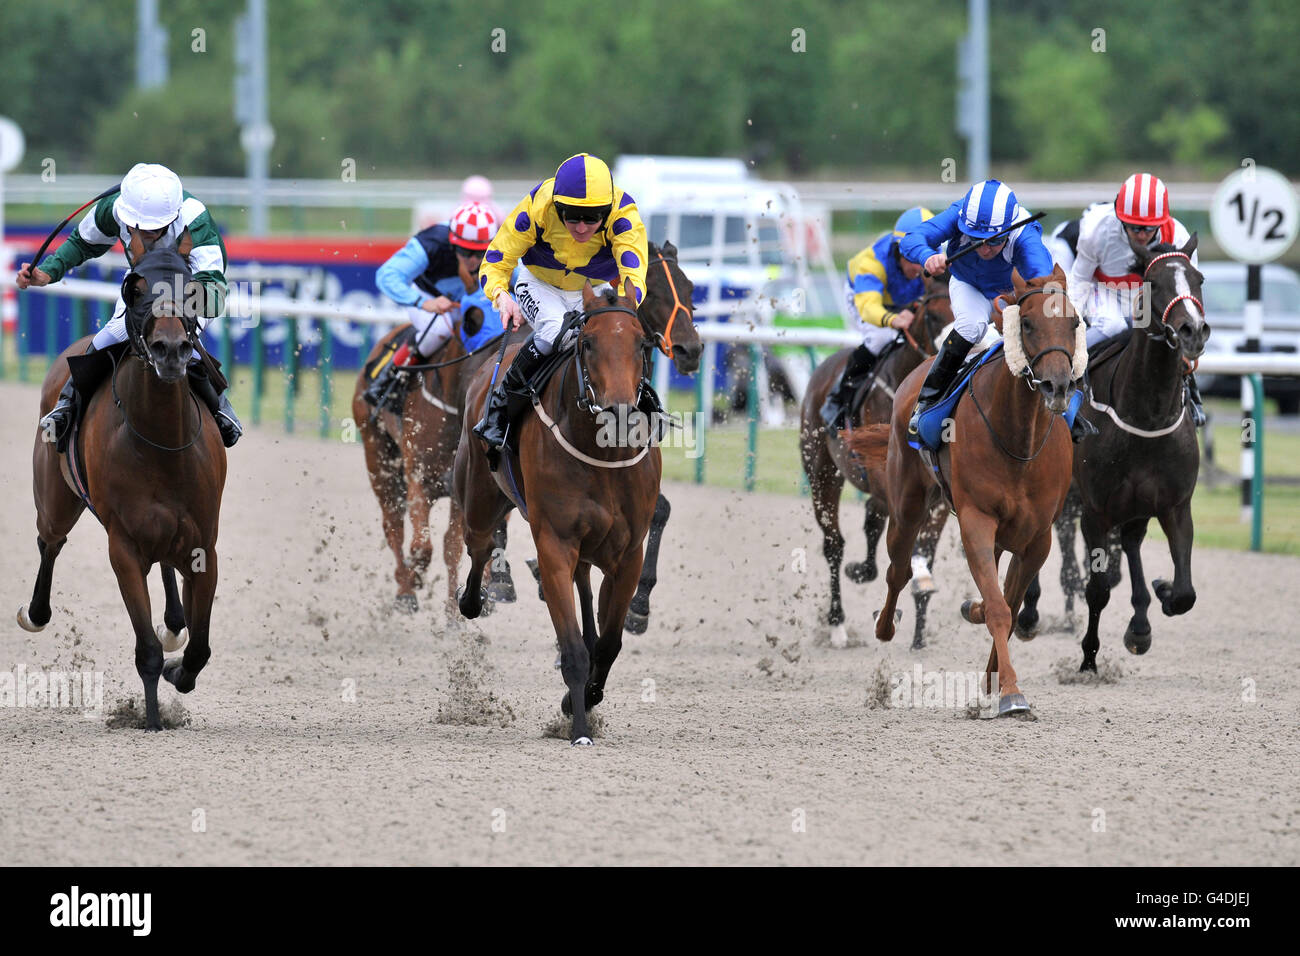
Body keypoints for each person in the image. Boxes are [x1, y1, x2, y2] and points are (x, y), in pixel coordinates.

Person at [16, 163, 242, 446]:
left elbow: (213, 286)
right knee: (113, 334)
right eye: (140, 229)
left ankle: (221, 405)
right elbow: (82, 242)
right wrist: (48, 271)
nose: (146, 235)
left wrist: (175, 310)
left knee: (183, 340)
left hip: (190, 286)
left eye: (155, 229)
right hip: (143, 284)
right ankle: (67, 400)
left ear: (172, 218)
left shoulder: (195, 219)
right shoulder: (115, 208)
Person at [471, 152, 649, 454]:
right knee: (555, 333)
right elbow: (496, 260)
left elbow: (634, 274)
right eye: (570, 215)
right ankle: (500, 408)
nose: (581, 227)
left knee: (619, 336)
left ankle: (646, 411)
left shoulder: (624, 214)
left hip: (591, 287)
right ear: (557, 207)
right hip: (539, 283)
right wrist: (501, 296)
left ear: (606, 212)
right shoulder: (537, 206)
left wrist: (624, 309)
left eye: (591, 218)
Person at [900, 178, 1093, 443]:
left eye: (994, 241)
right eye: (978, 241)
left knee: (1052, 318)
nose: (985, 248)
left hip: (1011, 290)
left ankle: (1067, 400)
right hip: (968, 285)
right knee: (970, 327)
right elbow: (911, 240)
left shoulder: (1025, 235)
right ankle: (927, 400)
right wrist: (926, 255)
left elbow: (1045, 285)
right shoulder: (958, 213)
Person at [1068, 173, 1205, 425]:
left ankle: (1192, 397)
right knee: (1113, 326)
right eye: (1134, 227)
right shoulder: (1096, 231)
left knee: (1153, 333)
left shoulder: (1178, 237)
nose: (1141, 235)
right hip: (1103, 290)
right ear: (1120, 218)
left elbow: (1188, 294)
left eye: (1149, 228)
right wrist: (1069, 331)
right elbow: (1079, 281)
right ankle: (1069, 374)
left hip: (1146, 294)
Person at [364, 200, 499, 409]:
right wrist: (424, 302)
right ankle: (389, 380)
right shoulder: (431, 243)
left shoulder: (501, 244)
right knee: (439, 330)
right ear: (452, 242)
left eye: (480, 253)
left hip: (469, 298)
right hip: (427, 294)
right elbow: (386, 275)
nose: (473, 260)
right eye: (465, 252)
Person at [820, 206, 933, 430]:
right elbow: (869, 308)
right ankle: (838, 399)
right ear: (898, 251)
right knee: (881, 338)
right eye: (913, 258)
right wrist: (893, 320)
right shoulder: (872, 264)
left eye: (925, 254)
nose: (920, 266)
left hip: (904, 301)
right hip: (865, 297)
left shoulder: (932, 261)